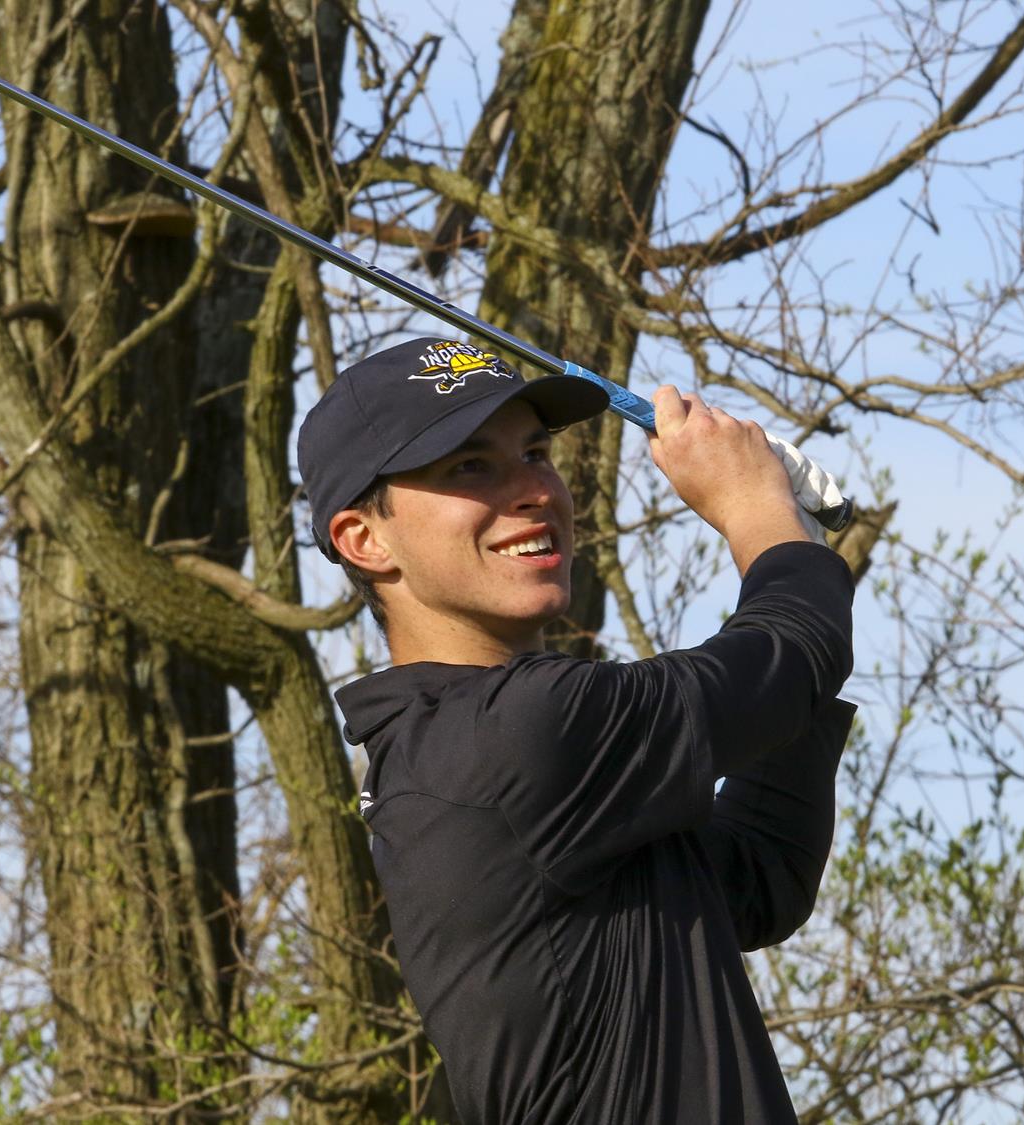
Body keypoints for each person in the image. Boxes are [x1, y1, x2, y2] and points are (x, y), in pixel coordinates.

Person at [297, 337, 856, 1124]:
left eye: (534, 452)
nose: (533, 489)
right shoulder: (513, 736)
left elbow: (759, 879)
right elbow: (790, 657)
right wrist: (757, 512)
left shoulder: (491, 753)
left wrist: (797, 546)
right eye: (469, 466)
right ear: (365, 539)